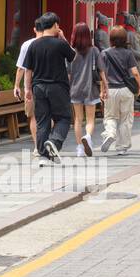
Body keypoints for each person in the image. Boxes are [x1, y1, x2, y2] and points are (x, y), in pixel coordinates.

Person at [23, 13, 76, 166]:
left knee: (42, 121)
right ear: (54, 25)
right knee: (64, 118)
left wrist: (27, 89)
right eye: (58, 25)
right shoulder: (60, 44)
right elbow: (73, 56)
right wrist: (64, 38)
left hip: (38, 87)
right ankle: (55, 141)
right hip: (58, 86)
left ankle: (43, 157)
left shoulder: (34, 44)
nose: (59, 28)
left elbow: (28, 70)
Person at [101, 26, 140, 155]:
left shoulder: (105, 53)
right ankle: (122, 147)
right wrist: (139, 86)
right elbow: (135, 73)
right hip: (125, 90)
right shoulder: (128, 53)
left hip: (111, 89)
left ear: (111, 39)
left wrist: (102, 90)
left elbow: (102, 74)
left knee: (110, 116)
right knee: (125, 119)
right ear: (125, 39)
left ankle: (110, 133)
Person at [68, 22, 106, 157]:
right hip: (90, 88)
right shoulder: (94, 50)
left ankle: (79, 148)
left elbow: (68, 73)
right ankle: (88, 137)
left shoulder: (71, 52)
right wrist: (105, 86)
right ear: (88, 35)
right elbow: (101, 70)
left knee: (78, 119)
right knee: (90, 119)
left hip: (75, 89)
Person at [13, 27, 45, 130]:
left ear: (35, 29)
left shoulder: (27, 45)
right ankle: (49, 142)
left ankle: (36, 145)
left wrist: (17, 85)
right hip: (49, 84)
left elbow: (21, 68)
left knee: (34, 117)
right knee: (49, 115)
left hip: (31, 86)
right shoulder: (53, 43)